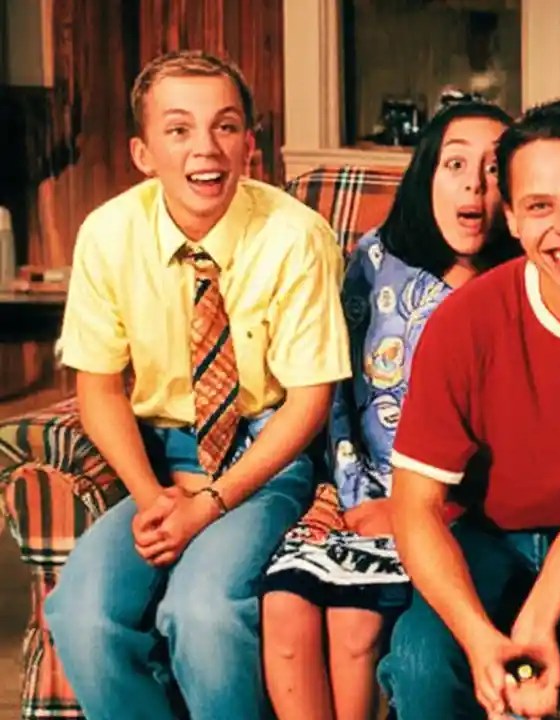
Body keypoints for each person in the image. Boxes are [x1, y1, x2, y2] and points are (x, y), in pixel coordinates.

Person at [43, 50, 349, 720]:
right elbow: (98, 387)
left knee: (203, 611)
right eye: (179, 129)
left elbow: (309, 403)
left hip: (265, 457)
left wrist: (209, 505)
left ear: (249, 145)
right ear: (143, 153)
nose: (205, 148)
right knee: (81, 614)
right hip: (160, 459)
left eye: (225, 126)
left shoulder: (296, 237)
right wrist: (152, 498)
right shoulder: (109, 234)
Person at [376, 97, 560, 720]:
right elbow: (415, 505)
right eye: (540, 206)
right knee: (420, 661)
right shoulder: (464, 321)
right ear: (511, 218)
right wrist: (481, 641)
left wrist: (537, 620)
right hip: (487, 532)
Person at [258, 95, 518, 720]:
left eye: (495, 168)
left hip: (452, 510)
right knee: (285, 607)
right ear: (427, 174)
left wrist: (416, 509)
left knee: (355, 621)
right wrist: (348, 492)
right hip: (359, 490)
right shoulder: (376, 260)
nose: (475, 185)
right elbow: (338, 389)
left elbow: (519, 441)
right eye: (456, 164)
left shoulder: (523, 282)